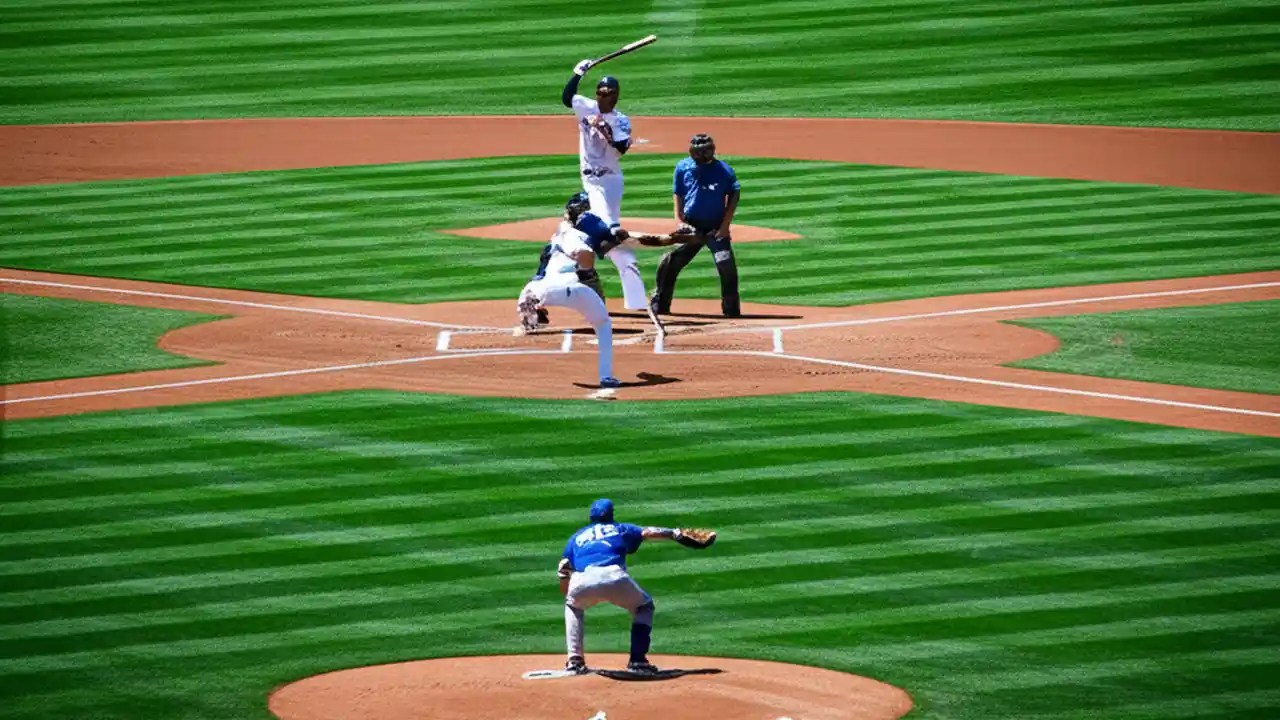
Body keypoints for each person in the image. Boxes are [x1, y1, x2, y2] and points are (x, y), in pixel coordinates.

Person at [560, 60, 650, 312]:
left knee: (608, 232)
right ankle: (593, 278)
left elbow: (621, 148)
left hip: (608, 182)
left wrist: (604, 130)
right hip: (589, 180)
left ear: (616, 96)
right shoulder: (586, 106)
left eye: (609, 93)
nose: (603, 96)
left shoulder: (620, 120)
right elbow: (567, 98)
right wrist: (578, 73)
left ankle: (628, 283)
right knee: (594, 232)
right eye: (600, 92)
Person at [558, 499, 684, 675]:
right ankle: (638, 661)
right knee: (644, 607)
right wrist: (675, 533)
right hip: (614, 576)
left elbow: (564, 575)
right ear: (611, 514)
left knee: (572, 606)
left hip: (582, 580)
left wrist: (565, 585)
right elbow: (648, 532)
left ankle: (575, 661)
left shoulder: (576, 538)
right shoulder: (619, 528)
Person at [651, 133, 743, 318]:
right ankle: (660, 303)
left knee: (726, 268)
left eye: (702, 153)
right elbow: (678, 193)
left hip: (716, 229)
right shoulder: (683, 167)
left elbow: (734, 194)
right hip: (691, 228)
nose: (699, 157)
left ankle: (731, 309)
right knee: (671, 263)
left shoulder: (724, 170)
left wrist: (725, 226)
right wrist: (679, 220)